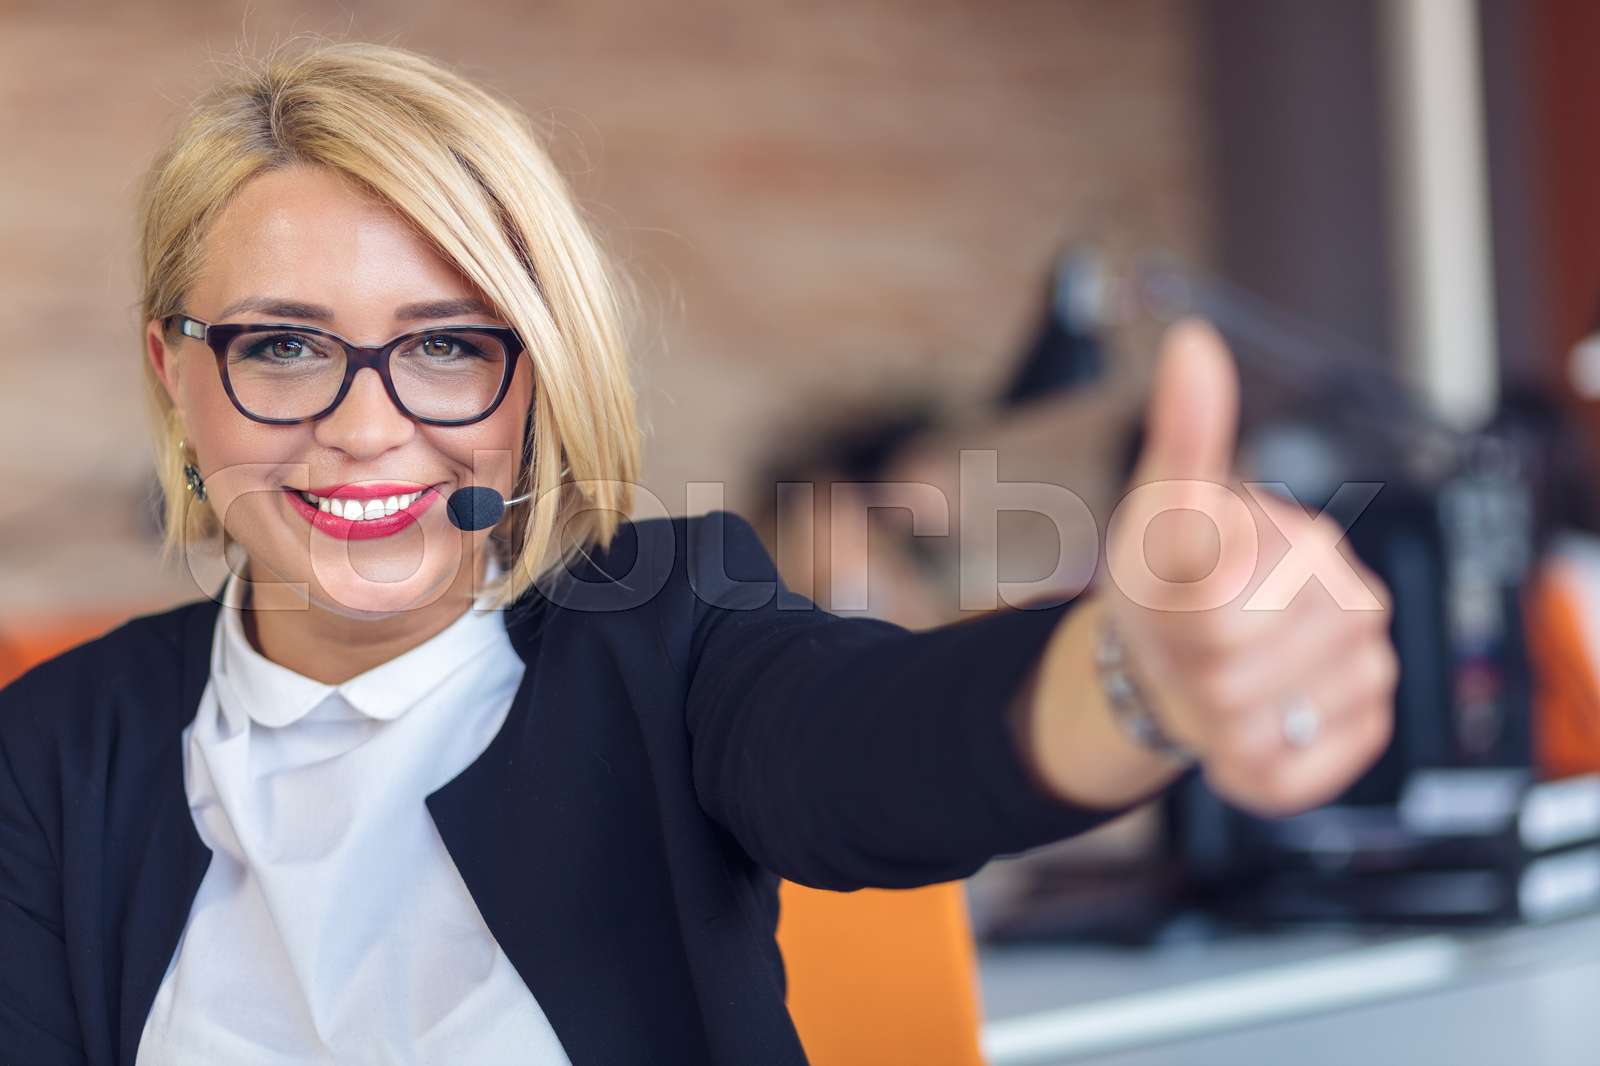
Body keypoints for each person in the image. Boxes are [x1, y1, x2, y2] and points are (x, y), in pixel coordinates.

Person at [0, 40, 1398, 1066]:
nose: (369, 426)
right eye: (284, 346)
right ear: (174, 373)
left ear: (534, 378)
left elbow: (890, 738)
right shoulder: (52, 752)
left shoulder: (663, 634)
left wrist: (1130, 675)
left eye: (446, 345)